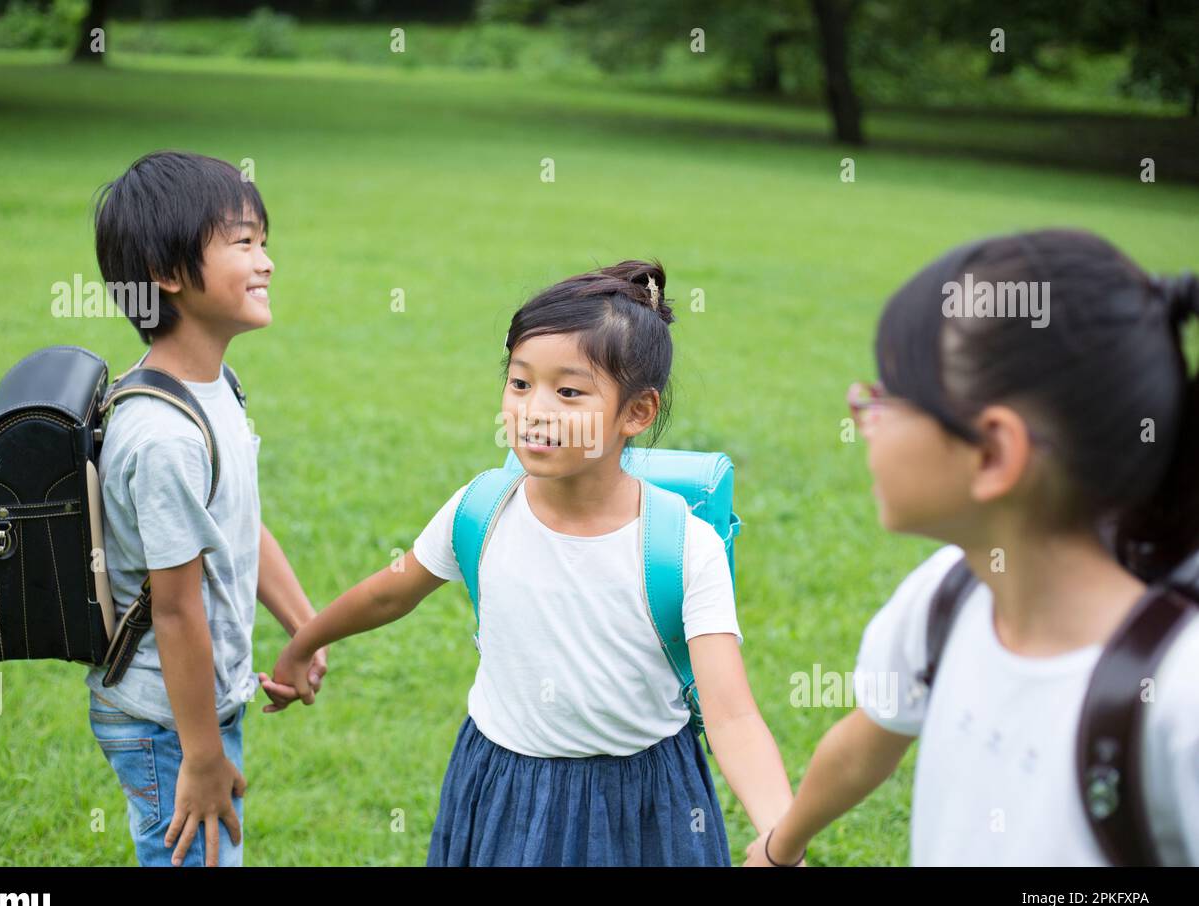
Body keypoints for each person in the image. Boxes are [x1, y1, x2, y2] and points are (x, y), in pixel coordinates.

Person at [272, 260, 793, 865]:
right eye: (520, 384)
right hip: (502, 788)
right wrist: (305, 641)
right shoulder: (483, 510)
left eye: (569, 391)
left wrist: (781, 833)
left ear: (637, 413)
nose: (534, 410)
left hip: (642, 804)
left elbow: (730, 714)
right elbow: (392, 591)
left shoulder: (680, 545)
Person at [754, 229, 1199, 866]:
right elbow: (865, 740)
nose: (861, 415)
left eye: (884, 394)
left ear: (992, 454)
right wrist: (778, 847)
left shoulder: (1178, 694)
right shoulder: (948, 597)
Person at [86, 150, 326, 866]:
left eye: (264, 242)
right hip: (167, 723)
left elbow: (236, 523)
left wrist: (304, 627)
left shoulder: (215, 387)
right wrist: (200, 757)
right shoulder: (162, 435)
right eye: (244, 243)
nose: (267, 262)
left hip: (194, 708)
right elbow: (176, 609)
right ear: (166, 274)